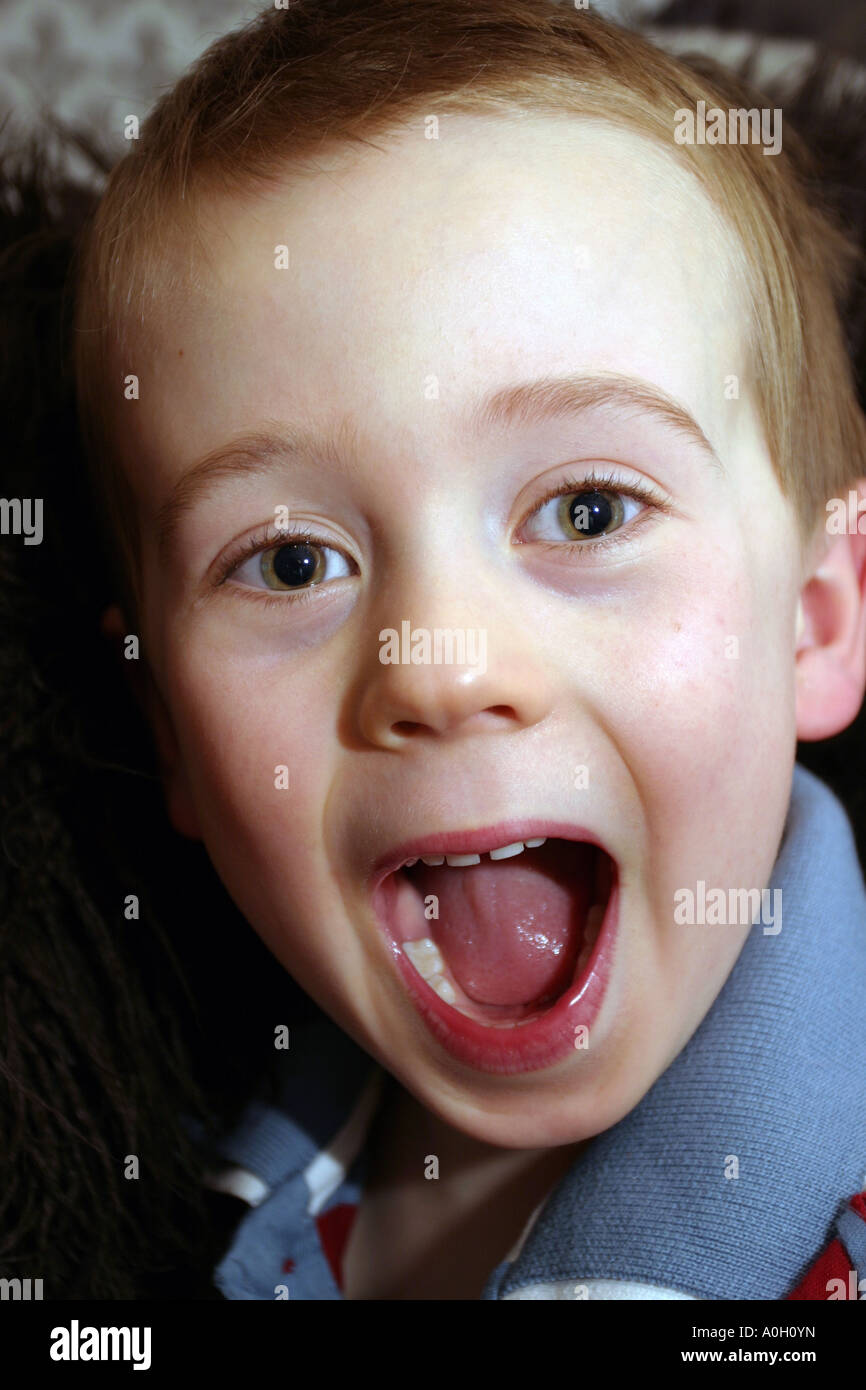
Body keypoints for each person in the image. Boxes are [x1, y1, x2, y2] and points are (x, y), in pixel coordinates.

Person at [4, 0, 866, 1299]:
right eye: (290, 561)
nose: (439, 665)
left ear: (816, 616)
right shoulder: (161, 1183)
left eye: (585, 510)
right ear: (169, 728)